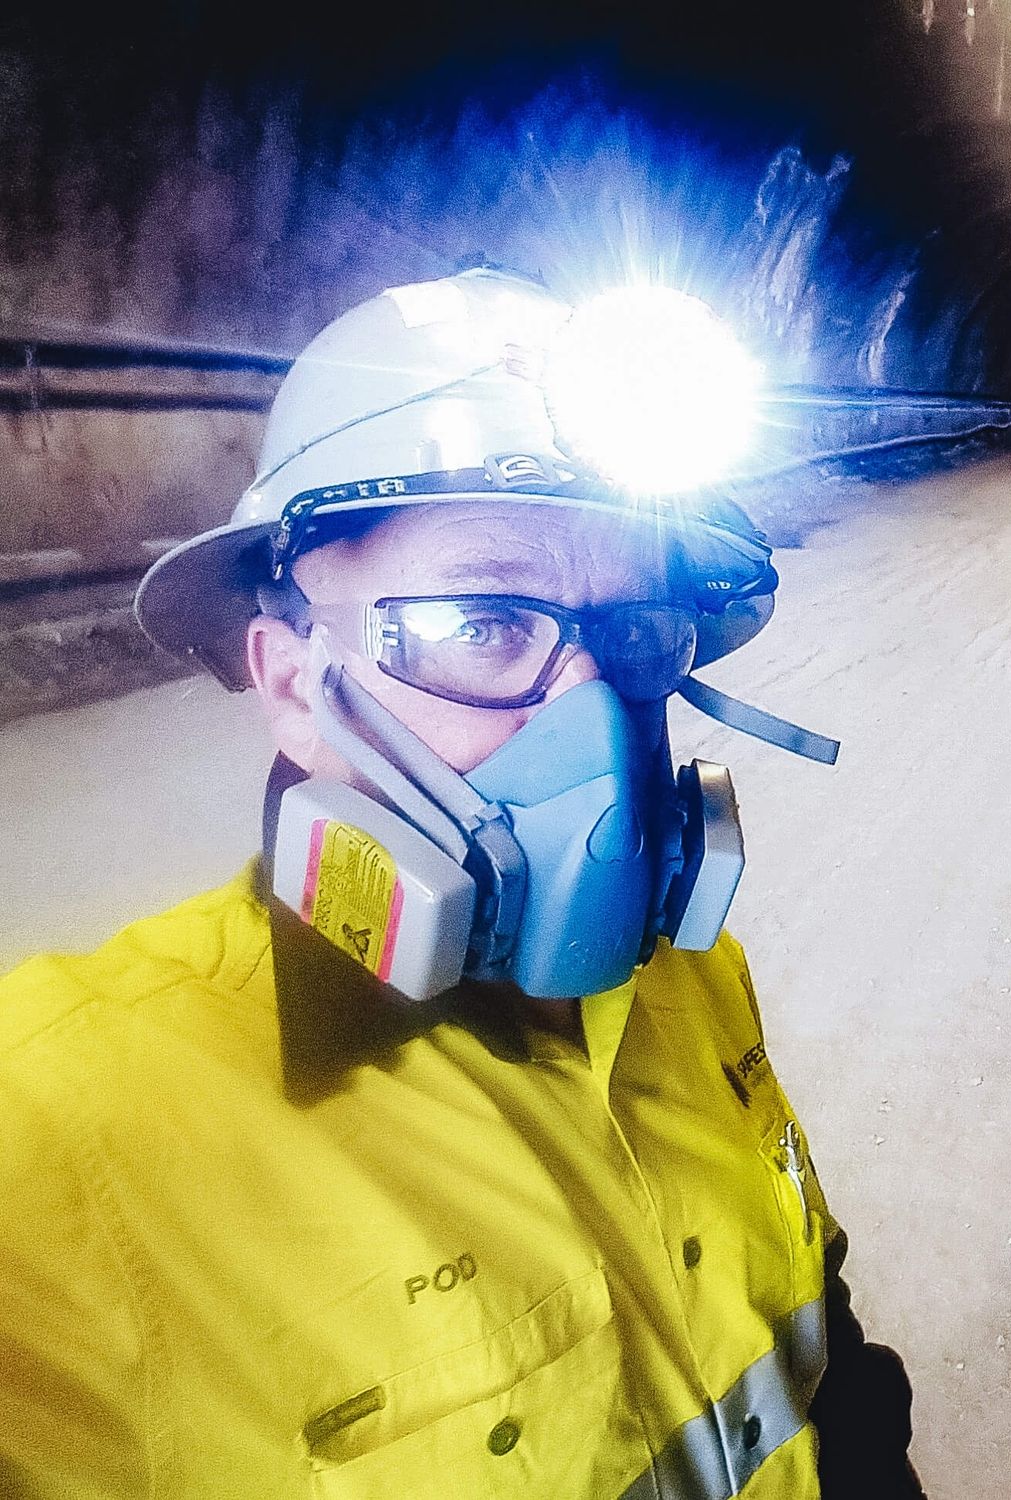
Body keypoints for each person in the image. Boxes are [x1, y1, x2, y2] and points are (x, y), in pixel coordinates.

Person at [0, 270, 925, 1499]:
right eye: (485, 625)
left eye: (635, 631)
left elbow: (821, 1346)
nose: (594, 715)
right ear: (292, 684)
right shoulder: (69, 1131)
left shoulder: (696, 982)